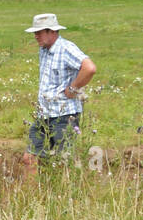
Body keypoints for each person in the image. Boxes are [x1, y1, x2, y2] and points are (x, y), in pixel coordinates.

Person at [23, 12, 96, 170]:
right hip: (44, 115)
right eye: (35, 32)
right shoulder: (44, 50)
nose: (35, 36)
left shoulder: (66, 49)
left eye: (39, 32)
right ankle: (31, 194)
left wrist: (73, 89)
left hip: (64, 116)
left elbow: (89, 68)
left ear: (52, 31)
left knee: (66, 162)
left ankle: (69, 193)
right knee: (30, 158)